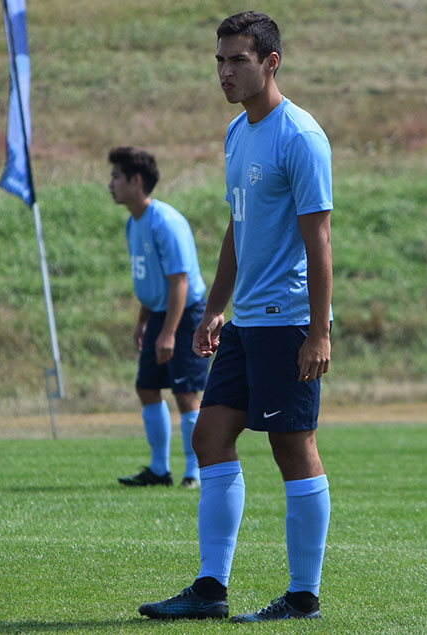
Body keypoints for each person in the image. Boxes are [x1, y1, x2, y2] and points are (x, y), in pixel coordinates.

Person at [137, 11, 333, 622]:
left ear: (271, 62)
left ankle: (303, 598)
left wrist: (319, 331)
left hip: (289, 321)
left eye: (237, 60)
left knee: (292, 447)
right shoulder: (235, 132)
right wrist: (216, 307)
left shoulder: (299, 137)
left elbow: (319, 241)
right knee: (209, 437)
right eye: (220, 60)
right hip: (246, 321)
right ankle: (210, 590)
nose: (225, 71)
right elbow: (237, 228)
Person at [108, 146, 208, 489]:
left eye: (116, 177)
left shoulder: (166, 222)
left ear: (136, 181)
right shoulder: (133, 223)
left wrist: (168, 333)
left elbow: (179, 282)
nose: (111, 184)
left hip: (186, 313)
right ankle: (158, 469)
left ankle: (195, 472)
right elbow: (152, 279)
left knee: (186, 393)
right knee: (148, 388)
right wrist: (143, 319)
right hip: (159, 314)